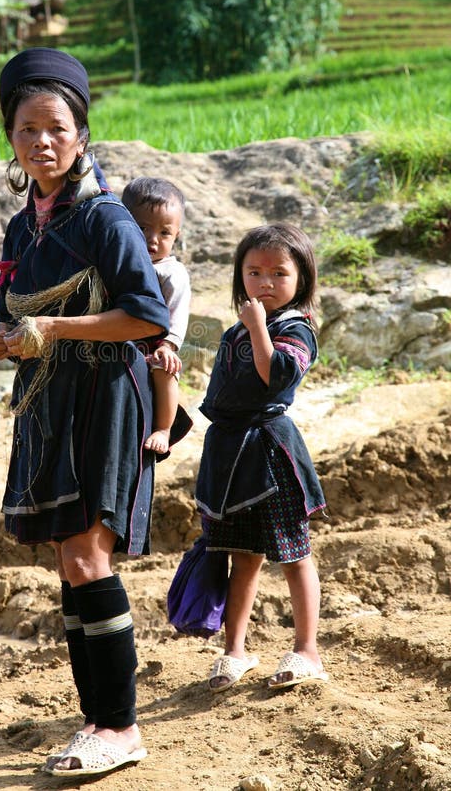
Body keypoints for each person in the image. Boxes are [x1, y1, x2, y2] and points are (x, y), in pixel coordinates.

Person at [0, 47, 171, 778]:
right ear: (11, 137)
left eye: (56, 127)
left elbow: (146, 317)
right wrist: (5, 340)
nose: (43, 142)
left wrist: (55, 330)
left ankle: (121, 727)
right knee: (68, 561)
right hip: (47, 401)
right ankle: (97, 719)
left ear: (82, 133)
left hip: (102, 395)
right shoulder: (20, 227)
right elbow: (13, 313)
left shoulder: (105, 218)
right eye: (27, 129)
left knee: (88, 558)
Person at [193, 223, 328, 693]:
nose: (265, 283)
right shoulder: (237, 331)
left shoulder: (297, 329)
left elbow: (276, 377)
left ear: (301, 281)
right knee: (242, 558)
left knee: (294, 554)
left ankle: (307, 649)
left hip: (272, 451)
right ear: (240, 277)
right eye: (253, 272)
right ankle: (234, 651)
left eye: (278, 273)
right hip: (230, 455)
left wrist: (256, 329)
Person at [122, 177, 191, 454]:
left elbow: (177, 313)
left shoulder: (171, 273)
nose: (153, 240)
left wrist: (168, 346)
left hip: (156, 344)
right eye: (142, 228)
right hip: (120, 338)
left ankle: (164, 428)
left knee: (166, 371)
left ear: (177, 235)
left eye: (165, 233)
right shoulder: (119, 263)